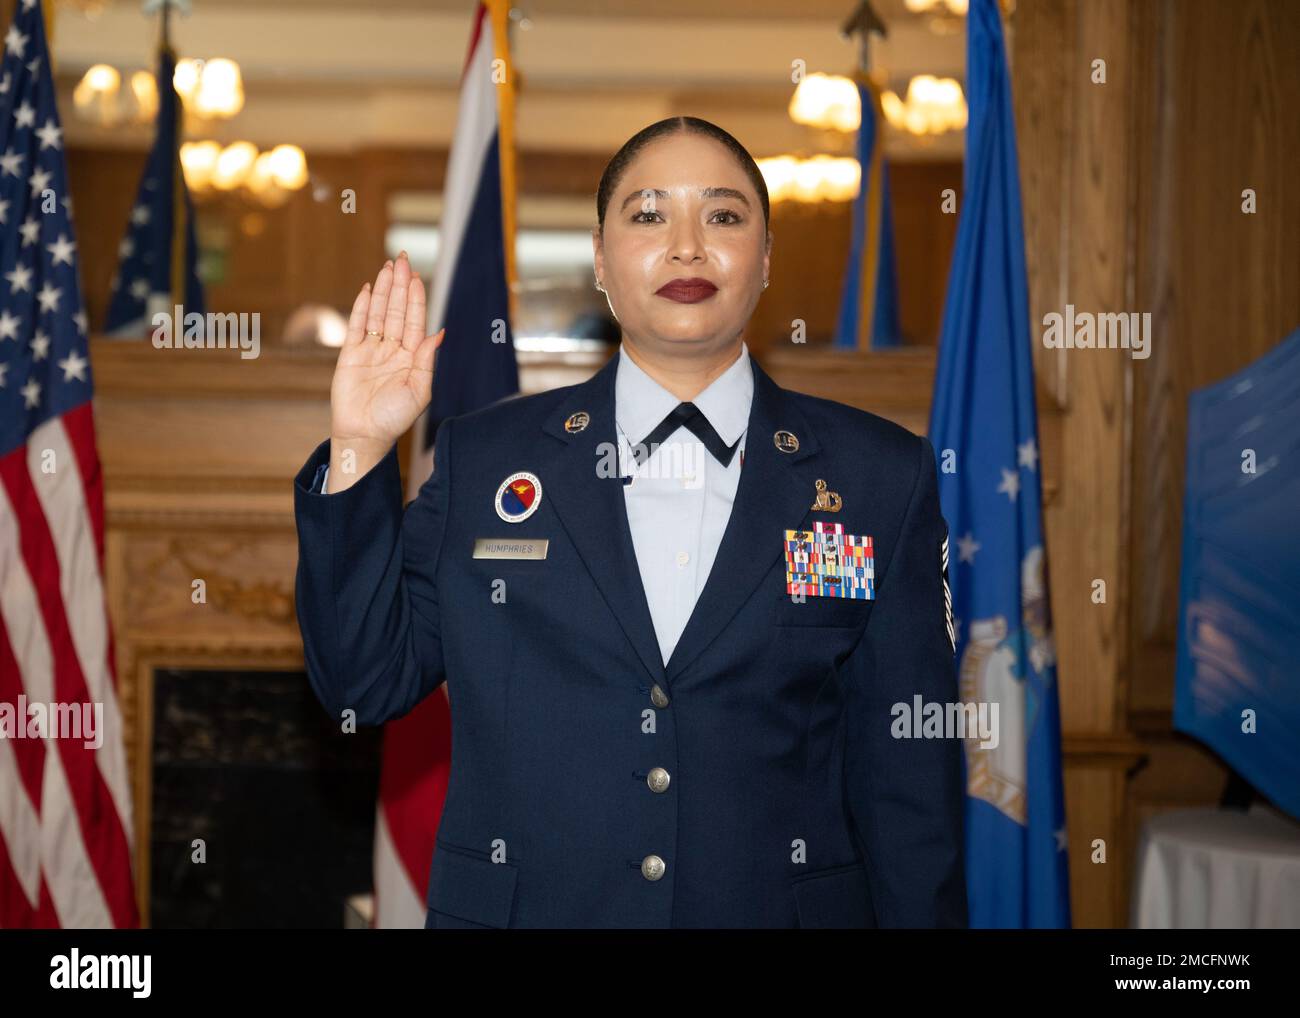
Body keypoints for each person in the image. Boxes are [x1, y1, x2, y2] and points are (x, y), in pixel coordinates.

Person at [293, 116, 968, 928]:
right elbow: (361, 685)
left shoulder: (876, 476)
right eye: (649, 215)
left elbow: (909, 786)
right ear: (601, 259)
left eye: (723, 216)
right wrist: (362, 445)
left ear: (765, 258)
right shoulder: (487, 460)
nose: (687, 246)